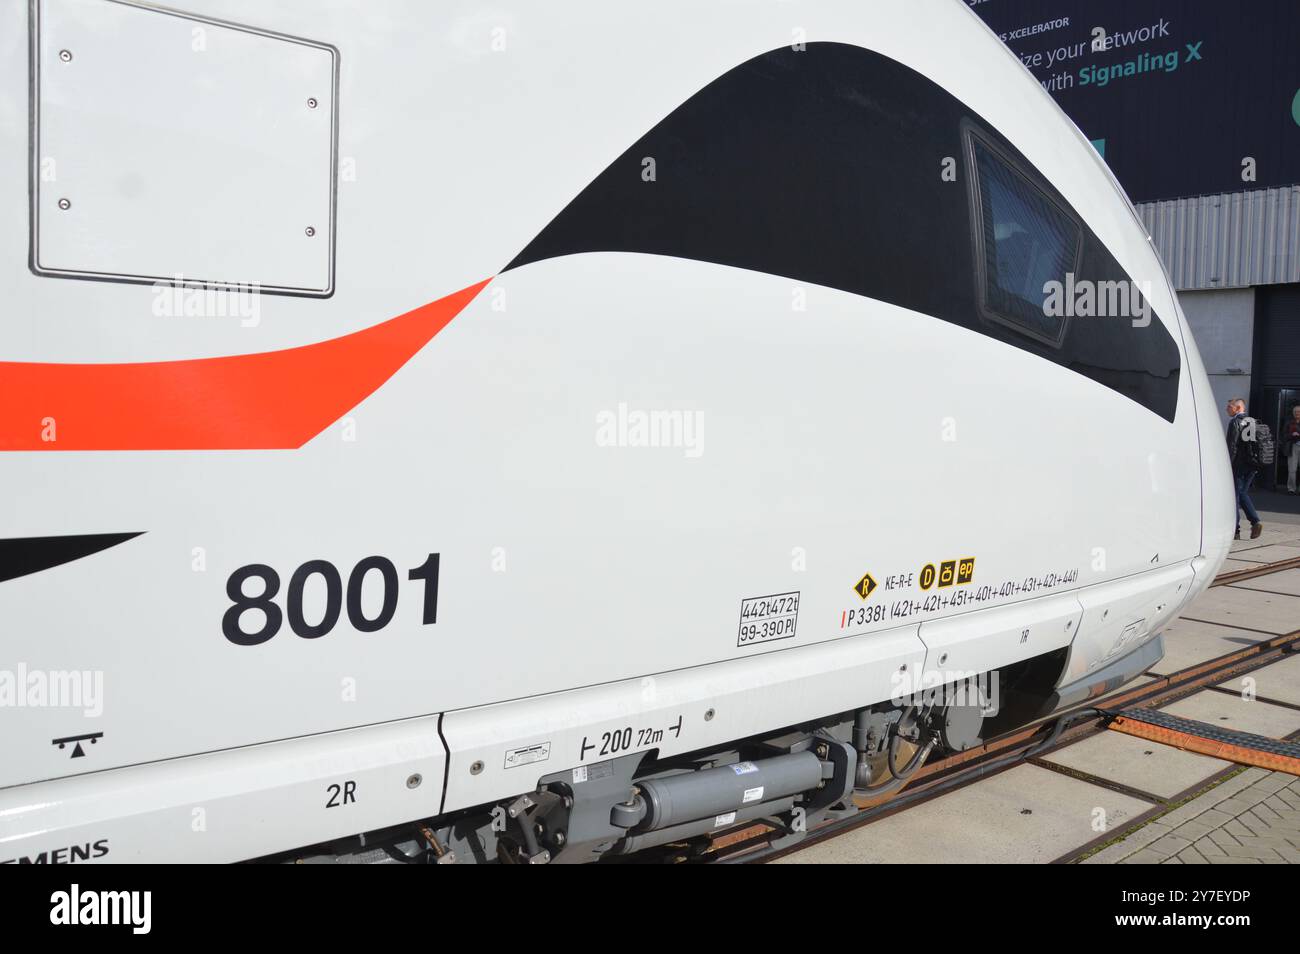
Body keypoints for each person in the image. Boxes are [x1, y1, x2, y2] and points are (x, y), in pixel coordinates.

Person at [1225, 398, 1263, 539]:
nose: (1227, 409)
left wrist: (1228, 464)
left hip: (1239, 465)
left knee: (1235, 496)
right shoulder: (1252, 421)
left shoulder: (1235, 422)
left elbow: (1232, 446)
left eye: (1230, 406)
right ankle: (1255, 522)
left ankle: (1236, 530)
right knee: (1242, 494)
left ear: (1238, 407)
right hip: (1252, 465)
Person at [1284, 404, 1300, 495]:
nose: (1297, 413)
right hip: (1292, 446)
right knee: (1292, 469)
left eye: (1298, 412)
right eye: (1295, 412)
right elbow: (1284, 436)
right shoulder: (1289, 422)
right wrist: (1291, 435)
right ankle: (1291, 488)